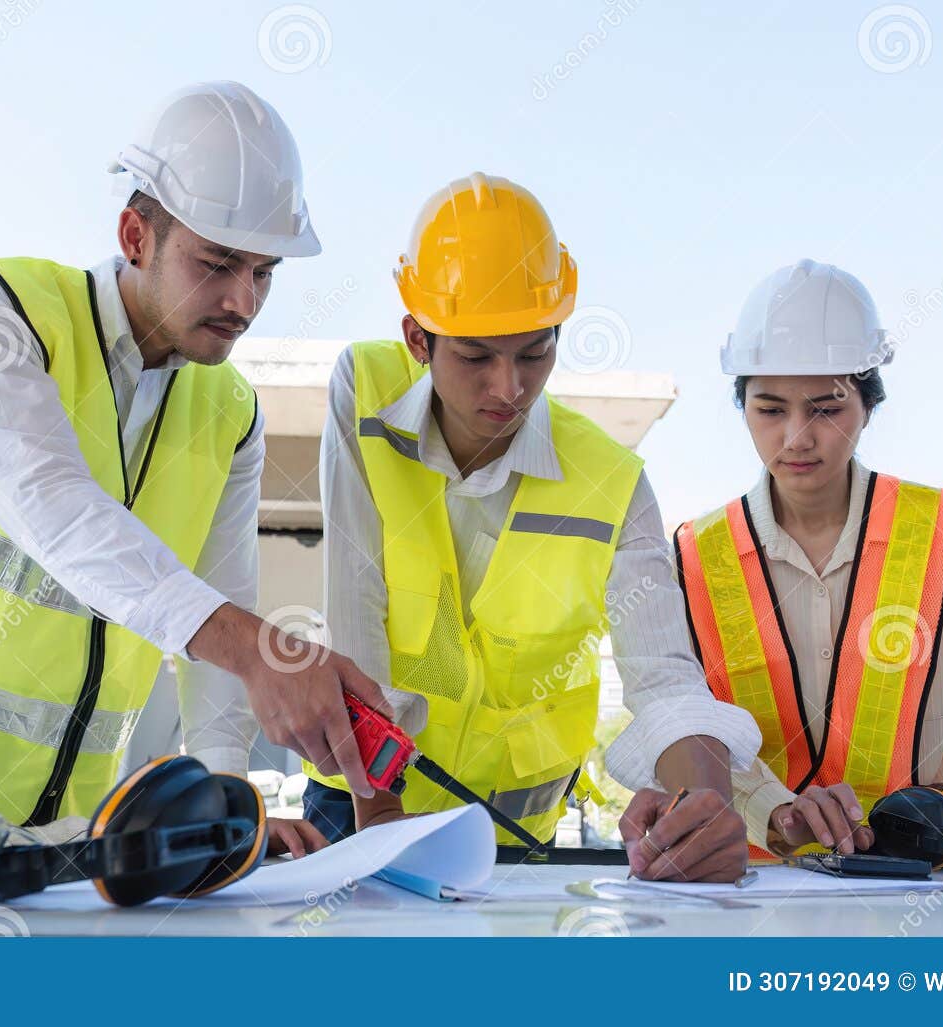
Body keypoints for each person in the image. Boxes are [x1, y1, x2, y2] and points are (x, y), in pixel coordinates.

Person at [0, 81, 388, 857]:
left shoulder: (230, 413)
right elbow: (55, 507)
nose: (242, 300)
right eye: (217, 263)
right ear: (135, 235)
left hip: (60, 845)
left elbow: (222, 607)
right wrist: (256, 649)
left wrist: (228, 805)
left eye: (263, 272)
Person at [300, 172, 762, 882]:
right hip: (361, 807)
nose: (508, 387)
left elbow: (665, 678)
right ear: (418, 338)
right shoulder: (365, 392)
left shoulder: (611, 480)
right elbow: (355, 600)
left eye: (534, 352)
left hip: (517, 834)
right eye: (476, 356)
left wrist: (704, 808)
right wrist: (381, 822)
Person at [674, 258, 943, 869]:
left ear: (868, 406)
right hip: (756, 880)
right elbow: (685, 721)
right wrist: (771, 809)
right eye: (770, 410)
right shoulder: (694, 555)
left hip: (924, 877)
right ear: (742, 406)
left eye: (826, 409)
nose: (797, 437)